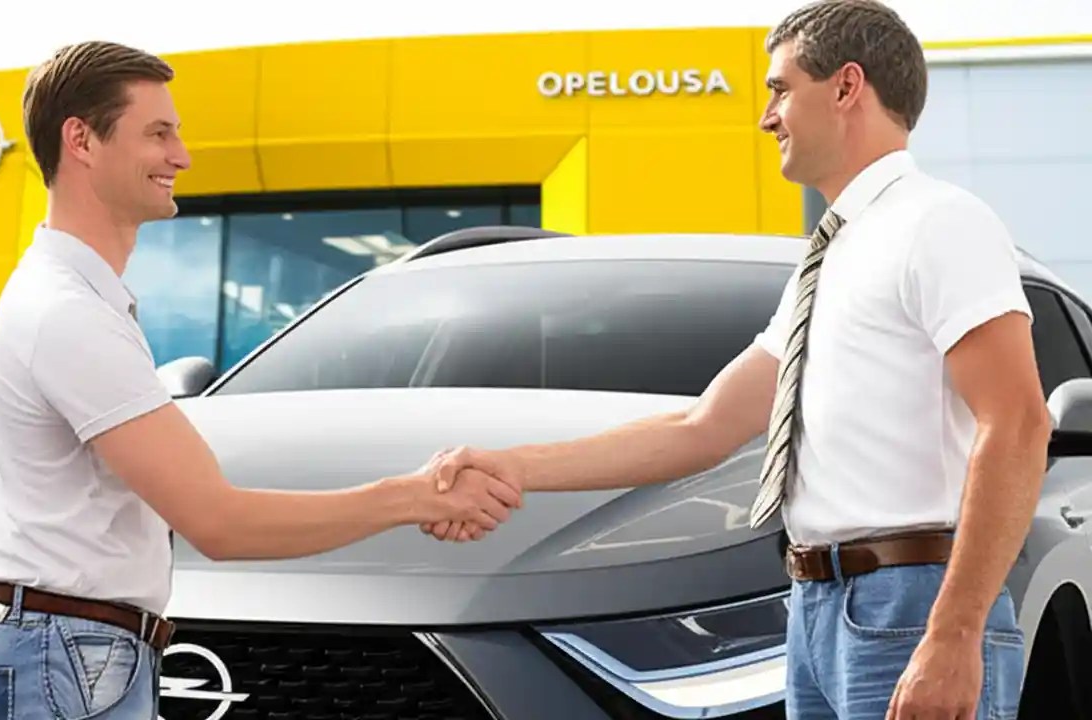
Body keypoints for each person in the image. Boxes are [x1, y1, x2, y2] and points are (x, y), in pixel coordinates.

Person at [422, 1, 1049, 718]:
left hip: (909, 605)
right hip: (818, 609)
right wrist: (514, 468)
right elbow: (704, 428)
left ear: (846, 87)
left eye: (780, 88)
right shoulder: (836, 256)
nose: (766, 115)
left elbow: (1019, 423)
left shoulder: (939, 222)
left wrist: (954, 629)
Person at [0, 41, 522, 720]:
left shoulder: (73, 301)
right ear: (80, 140)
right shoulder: (67, 314)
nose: (182, 156)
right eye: (158, 133)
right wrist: (414, 498)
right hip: (67, 659)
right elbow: (219, 521)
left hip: (72, 655)